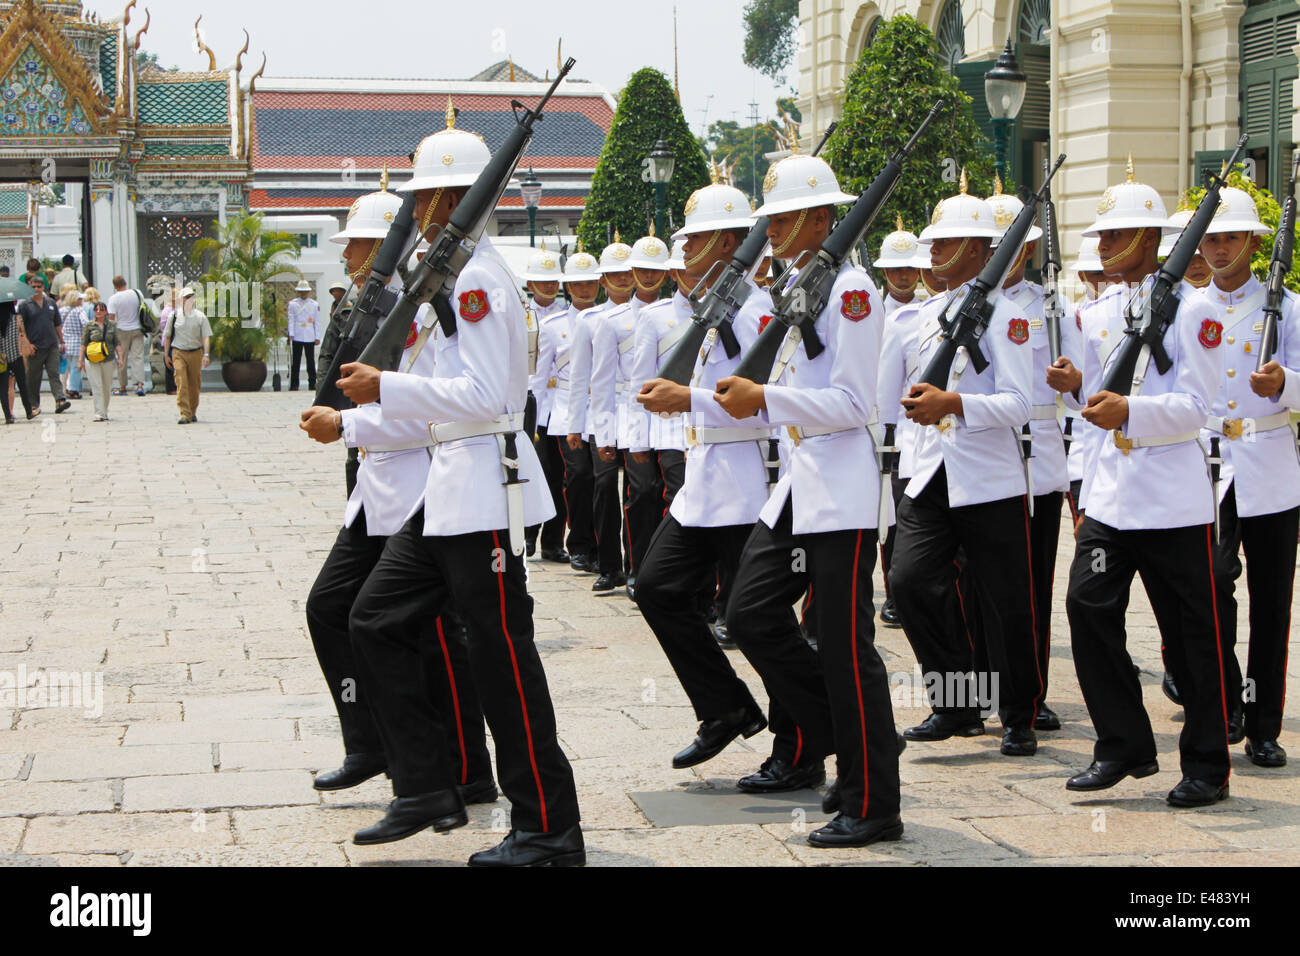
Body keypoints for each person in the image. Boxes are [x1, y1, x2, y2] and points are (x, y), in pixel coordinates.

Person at [335, 115, 583, 866]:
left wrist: (383, 387)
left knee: (504, 661)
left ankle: (548, 828)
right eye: (426, 198)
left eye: (439, 196)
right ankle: (425, 783)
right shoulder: (451, 271)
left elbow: (481, 395)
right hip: (446, 489)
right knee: (373, 619)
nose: (426, 211)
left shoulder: (476, 277)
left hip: (481, 486)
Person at [714, 153, 902, 848]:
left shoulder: (851, 290)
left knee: (847, 650)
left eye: (786, 218)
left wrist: (766, 397)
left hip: (843, 490)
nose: (775, 231)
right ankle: (831, 730)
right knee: (750, 613)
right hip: (802, 484)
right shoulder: (804, 284)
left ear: (823, 218)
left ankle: (873, 800)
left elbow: (855, 403)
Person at [298, 217, 496, 800]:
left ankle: (466, 769)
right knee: (330, 607)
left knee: (438, 635)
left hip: (422, 485)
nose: (354, 255)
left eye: (363, 243)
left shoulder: (428, 307)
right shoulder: (377, 305)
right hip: (376, 489)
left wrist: (347, 423)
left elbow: (430, 406)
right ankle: (369, 742)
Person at [1058, 160, 1230, 807]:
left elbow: (1195, 410)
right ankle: (1123, 746)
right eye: (1101, 238)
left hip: (1171, 504)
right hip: (1110, 499)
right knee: (1087, 606)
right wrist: (1076, 390)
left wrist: (1130, 412)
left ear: (1149, 238)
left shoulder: (1198, 313)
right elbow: (1097, 400)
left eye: (1113, 236)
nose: (1101, 247)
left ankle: (1208, 765)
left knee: (1191, 638)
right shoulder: (1103, 312)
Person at [634, 183, 796, 773]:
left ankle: (798, 744)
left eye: (696, 241)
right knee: (656, 588)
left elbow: (758, 399)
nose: (685, 254)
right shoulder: (712, 306)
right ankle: (725, 707)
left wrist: (688, 399)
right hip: (705, 483)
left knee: (761, 622)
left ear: (730, 243)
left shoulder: (758, 310)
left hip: (749, 481)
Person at [889, 173, 1041, 759]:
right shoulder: (927, 315)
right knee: (908, 581)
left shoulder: (1007, 315)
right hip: (930, 471)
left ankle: (1019, 713)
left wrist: (954, 404)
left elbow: (1020, 405)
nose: (931, 254)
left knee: (1006, 600)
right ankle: (955, 701)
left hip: (988, 476)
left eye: (943, 244)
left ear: (978, 250)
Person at [1195, 187, 1297, 768]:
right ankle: (1228, 698)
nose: (1218, 247)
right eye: (1211, 237)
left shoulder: (1290, 305)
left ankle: (1263, 724)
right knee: (1210, 586)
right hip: (1208, 464)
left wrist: (1285, 383)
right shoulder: (1189, 307)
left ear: (1256, 243)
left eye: (1230, 236)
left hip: (1270, 464)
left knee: (1272, 602)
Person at [986, 177, 1080, 733]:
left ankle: (1032, 690)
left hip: (1038, 454)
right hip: (985, 455)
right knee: (979, 584)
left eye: (1017, 245)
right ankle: (979, 688)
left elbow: (1078, 383)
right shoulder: (965, 303)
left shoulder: (1053, 305)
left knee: (1032, 583)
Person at [591, 231, 671, 596]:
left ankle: (665, 567)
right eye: (642, 269)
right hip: (631, 415)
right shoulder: (613, 321)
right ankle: (636, 568)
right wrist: (605, 434)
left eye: (656, 271)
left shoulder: (677, 315)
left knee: (669, 495)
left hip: (672, 416)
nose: (649, 277)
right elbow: (602, 382)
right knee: (640, 493)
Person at [569, 238, 636, 593]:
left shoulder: (650, 314)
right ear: (603, 280)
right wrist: (575, 426)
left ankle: (639, 563)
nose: (623, 280)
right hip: (605, 412)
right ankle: (610, 564)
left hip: (641, 410)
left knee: (642, 491)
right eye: (615, 275)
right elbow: (580, 376)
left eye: (628, 273)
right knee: (606, 485)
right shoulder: (589, 320)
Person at [873, 223, 930, 628]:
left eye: (910, 268)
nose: (904, 276)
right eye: (896, 270)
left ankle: (909, 590)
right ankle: (892, 592)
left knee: (911, 513)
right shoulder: (868, 311)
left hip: (914, 429)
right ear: (884, 273)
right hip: (879, 426)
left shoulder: (928, 315)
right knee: (886, 515)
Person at [548, 249, 603, 573]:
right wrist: (536, 421)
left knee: (601, 479)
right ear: (568, 287)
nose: (585, 289)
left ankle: (599, 545)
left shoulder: (606, 319)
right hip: (567, 408)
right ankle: (579, 544)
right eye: (578, 284)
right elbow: (541, 377)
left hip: (601, 407)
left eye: (590, 283)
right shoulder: (555, 325)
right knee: (578, 475)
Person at [522, 242, 572, 563]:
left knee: (558, 477)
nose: (550, 288)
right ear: (530, 285)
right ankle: (527, 537)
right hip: (531, 404)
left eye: (554, 282)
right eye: (544, 283)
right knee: (530, 473)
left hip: (560, 405)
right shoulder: (520, 315)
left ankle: (554, 542)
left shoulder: (568, 315)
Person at [19, 273, 70, 415]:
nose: (36, 289)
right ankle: (33, 404)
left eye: (39, 286)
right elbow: (20, 326)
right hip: (35, 346)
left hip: (51, 344)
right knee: (33, 377)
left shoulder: (51, 303)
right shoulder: (25, 305)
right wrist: (26, 344)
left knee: (54, 372)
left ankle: (60, 399)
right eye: (33, 286)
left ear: (44, 287)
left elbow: (57, 323)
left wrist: (62, 341)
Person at [163, 288, 211, 425]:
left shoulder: (200, 316)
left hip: (195, 352)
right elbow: (167, 336)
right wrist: (166, 355)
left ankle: (192, 410)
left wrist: (206, 354)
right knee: (181, 382)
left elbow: (206, 337)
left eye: (191, 297)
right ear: (181, 300)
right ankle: (184, 413)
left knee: (194, 384)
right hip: (178, 352)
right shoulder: (174, 316)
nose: (189, 299)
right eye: (186, 297)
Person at [80, 300, 121, 422]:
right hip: (92, 359)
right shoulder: (89, 325)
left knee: (106, 386)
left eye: (101, 309)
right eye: (96, 309)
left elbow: (117, 342)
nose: (98, 312)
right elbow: (84, 343)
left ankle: (104, 410)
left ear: (106, 312)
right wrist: (80, 360)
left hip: (108, 359)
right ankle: (99, 413)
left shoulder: (112, 325)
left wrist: (121, 357)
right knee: (97, 386)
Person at [106, 277, 148, 396]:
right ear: (125, 283)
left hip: (122, 330)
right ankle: (139, 384)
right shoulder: (137, 292)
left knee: (121, 358)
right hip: (137, 328)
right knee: (138, 357)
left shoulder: (113, 299)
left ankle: (122, 387)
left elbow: (112, 318)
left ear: (115, 286)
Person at [1, 299, 35, 423]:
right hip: (16, 356)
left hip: (2, 359)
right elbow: (22, 334)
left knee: (3, 389)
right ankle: (29, 411)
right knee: (22, 385)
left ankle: (8, 416)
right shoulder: (16, 318)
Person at [287, 280, 324, 392]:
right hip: (297, 334)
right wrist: (291, 334)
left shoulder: (314, 304)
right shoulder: (293, 304)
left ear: (308, 292)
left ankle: (312, 384)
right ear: (298, 292)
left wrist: (317, 336)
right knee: (296, 361)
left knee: (310, 361)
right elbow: (291, 319)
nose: (303, 293)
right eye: (301, 291)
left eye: (305, 291)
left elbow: (316, 321)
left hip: (309, 334)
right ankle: (294, 385)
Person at [60, 290, 86, 399]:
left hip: (64, 341)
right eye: (80, 299)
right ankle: (73, 389)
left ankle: (63, 388)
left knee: (65, 367)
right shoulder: (79, 310)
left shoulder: (61, 310)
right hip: (76, 341)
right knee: (76, 367)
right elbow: (85, 323)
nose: (81, 301)